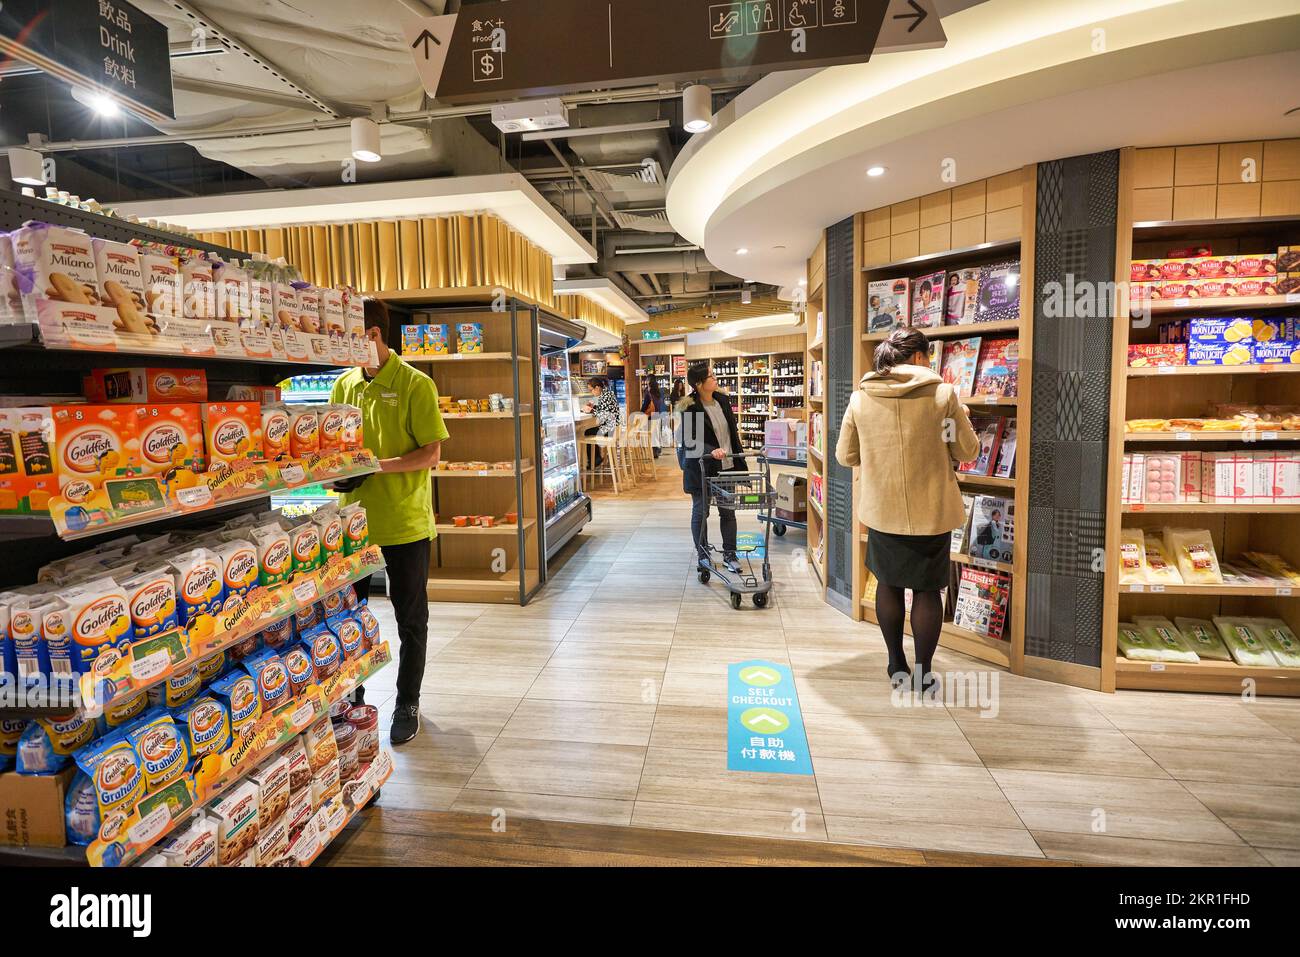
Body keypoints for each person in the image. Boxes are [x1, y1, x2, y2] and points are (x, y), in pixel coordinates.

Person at [330, 298, 450, 745]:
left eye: (348, 338)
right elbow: (337, 447)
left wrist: (374, 467)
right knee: (348, 619)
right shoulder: (343, 386)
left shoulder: (416, 384)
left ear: (373, 335)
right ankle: (353, 697)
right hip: (353, 527)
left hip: (404, 523)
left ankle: (407, 702)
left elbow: (431, 453)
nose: (343, 349)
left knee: (410, 619)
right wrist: (336, 474)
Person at [835, 327, 980, 695]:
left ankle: (895, 661)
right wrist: (961, 416)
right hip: (931, 511)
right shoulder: (943, 395)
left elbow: (845, 456)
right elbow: (967, 451)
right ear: (918, 357)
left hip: (883, 511)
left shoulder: (861, 398)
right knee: (928, 591)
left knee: (889, 584)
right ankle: (923, 672)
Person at [677, 365, 746, 575]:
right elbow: (691, 441)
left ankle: (730, 555)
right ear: (699, 384)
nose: (715, 378)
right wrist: (712, 450)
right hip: (702, 468)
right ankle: (703, 554)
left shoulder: (722, 401)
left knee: (728, 511)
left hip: (727, 466)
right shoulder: (691, 407)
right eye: (711, 376)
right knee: (701, 511)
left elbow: (730, 434)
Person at [581, 376, 621, 466]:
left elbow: (603, 416)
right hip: (613, 428)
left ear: (597, 388)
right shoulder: (608, 394)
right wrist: (593, 407)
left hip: (610, 430)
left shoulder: (605, 396)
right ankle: (596, 458)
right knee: (591, 430)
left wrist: (591, 410)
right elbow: (605, 410)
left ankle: (595, 460)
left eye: (591, 390)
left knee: (587, 432)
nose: (591, 392)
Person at [640, 375, 667, 457]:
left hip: (651, 415)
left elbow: (646, 404)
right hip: (657, 414)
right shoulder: (658, 391)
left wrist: (641, 412)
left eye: (647, 379)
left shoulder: (648, 392)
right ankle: (657, 450)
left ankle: (654, 452)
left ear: (649, 381)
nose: (646, 381)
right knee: (656, 433)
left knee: (652, 434)